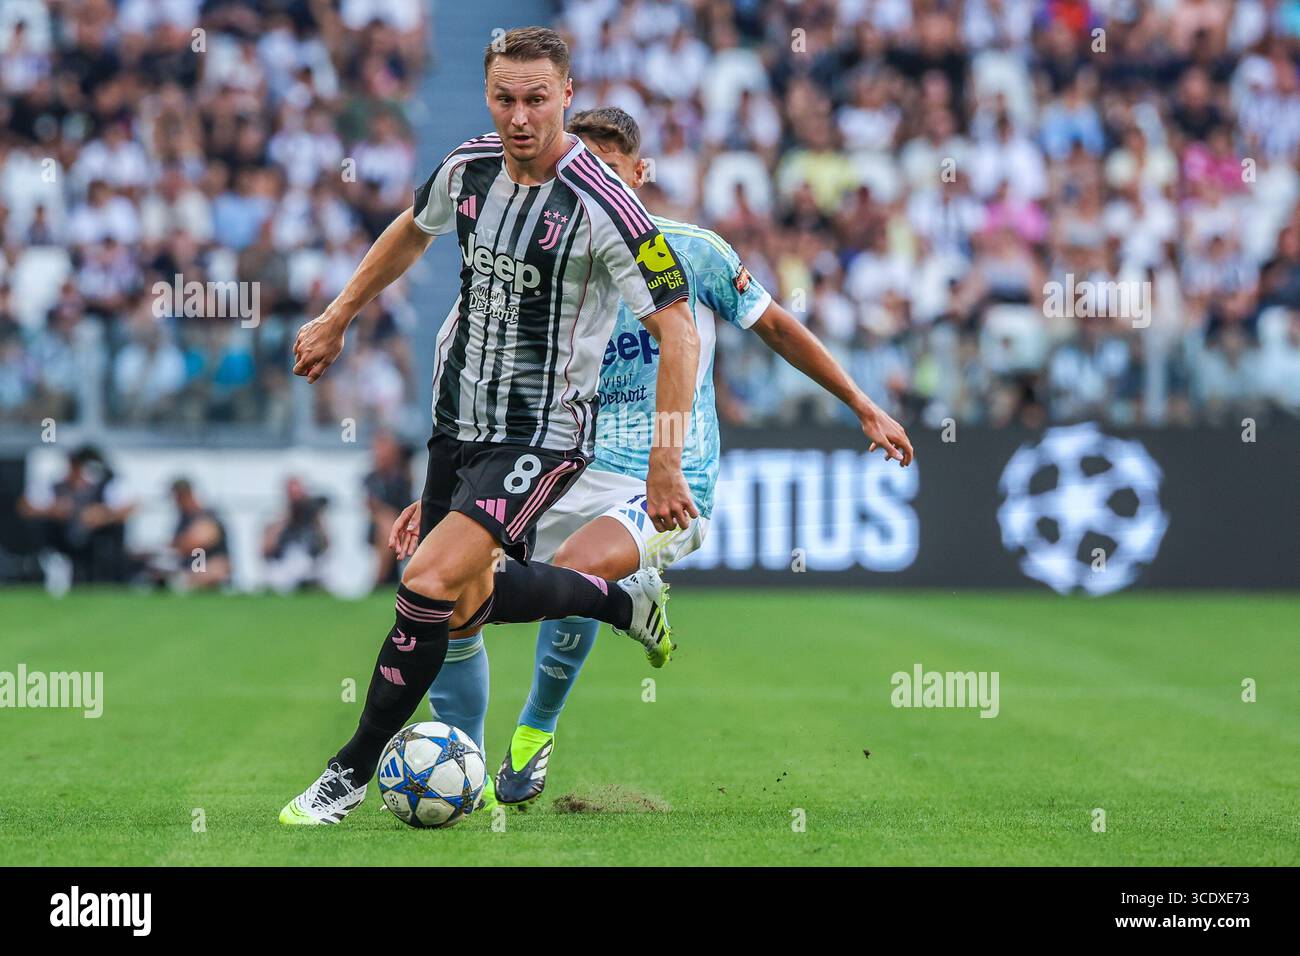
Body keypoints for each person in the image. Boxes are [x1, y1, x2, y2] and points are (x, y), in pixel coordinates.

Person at [406, 107, 914, 807]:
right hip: (560, 464)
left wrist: (861, 403)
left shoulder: (693, 253)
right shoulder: (542, 262)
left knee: (575, 569)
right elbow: (482, 377)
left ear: (639, 174)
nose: (595, 186)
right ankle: (470, 768)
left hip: (668, 476)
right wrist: (444, 496)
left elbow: (777, 327)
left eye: (611, 172)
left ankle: (536, 731)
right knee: (450, 588)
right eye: (582, 170)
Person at [280, 27, 702, 826]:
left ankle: (348, 774)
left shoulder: (606, 205)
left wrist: (665, 459)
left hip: (541, 434)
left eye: (537, 99)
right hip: (456, 421)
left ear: (567, 96)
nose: (520, 116)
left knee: (425, 583)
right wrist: (338, 316)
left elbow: (677, 329)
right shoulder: (467, 167)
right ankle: (620, 605)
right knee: (463, 606)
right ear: (487, 95)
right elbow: (412, 229)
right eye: (505, 98)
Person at [17, 445, 135, 585]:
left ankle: (107, 577)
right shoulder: (55, 485)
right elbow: (24, 507)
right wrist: (52, 510)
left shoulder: (107, 485)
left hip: (94, 539)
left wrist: (104, 514)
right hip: (61, 538)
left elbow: (130, 507)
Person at [261, 477, 329, 593]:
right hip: (283, 565)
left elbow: (326, 546)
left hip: (310, 564)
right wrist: (286, 519)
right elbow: (265, 550)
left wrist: (316, 519)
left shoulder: (312, 517)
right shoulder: (274, 515)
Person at [362, 432, 413, 588]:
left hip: (404, 526)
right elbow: (372, 505)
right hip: (381, 528)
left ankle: (381, 580)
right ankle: (380, 579)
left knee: (391, 525)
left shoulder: (402, 477)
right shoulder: (371, 478)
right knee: (388, 525)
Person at [166, 478, 231, 590]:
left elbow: (194, 542)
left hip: (208, 569)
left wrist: (172, 546)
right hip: (188, 568)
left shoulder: (207, 515)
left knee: (215, 566)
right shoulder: (183, 519)